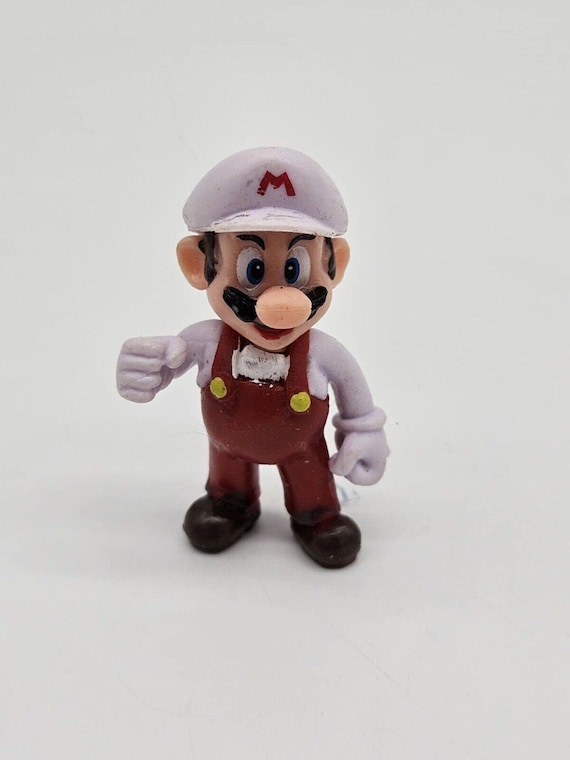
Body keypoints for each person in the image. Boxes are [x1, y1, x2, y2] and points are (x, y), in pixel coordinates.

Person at [117, 147, 388, 568]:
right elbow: (168, 360)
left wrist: (364, 434)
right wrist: (149, 369)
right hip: (229, 446)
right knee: (227, 473)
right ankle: (231, 502)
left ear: (335, 266)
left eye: (296, 271)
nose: (279, 304)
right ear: (198, 265)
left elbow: (358, 402)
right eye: (253, 272)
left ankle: (316, 515)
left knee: (310, 479)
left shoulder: (324, 353)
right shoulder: (205, 341)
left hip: (301, 449)